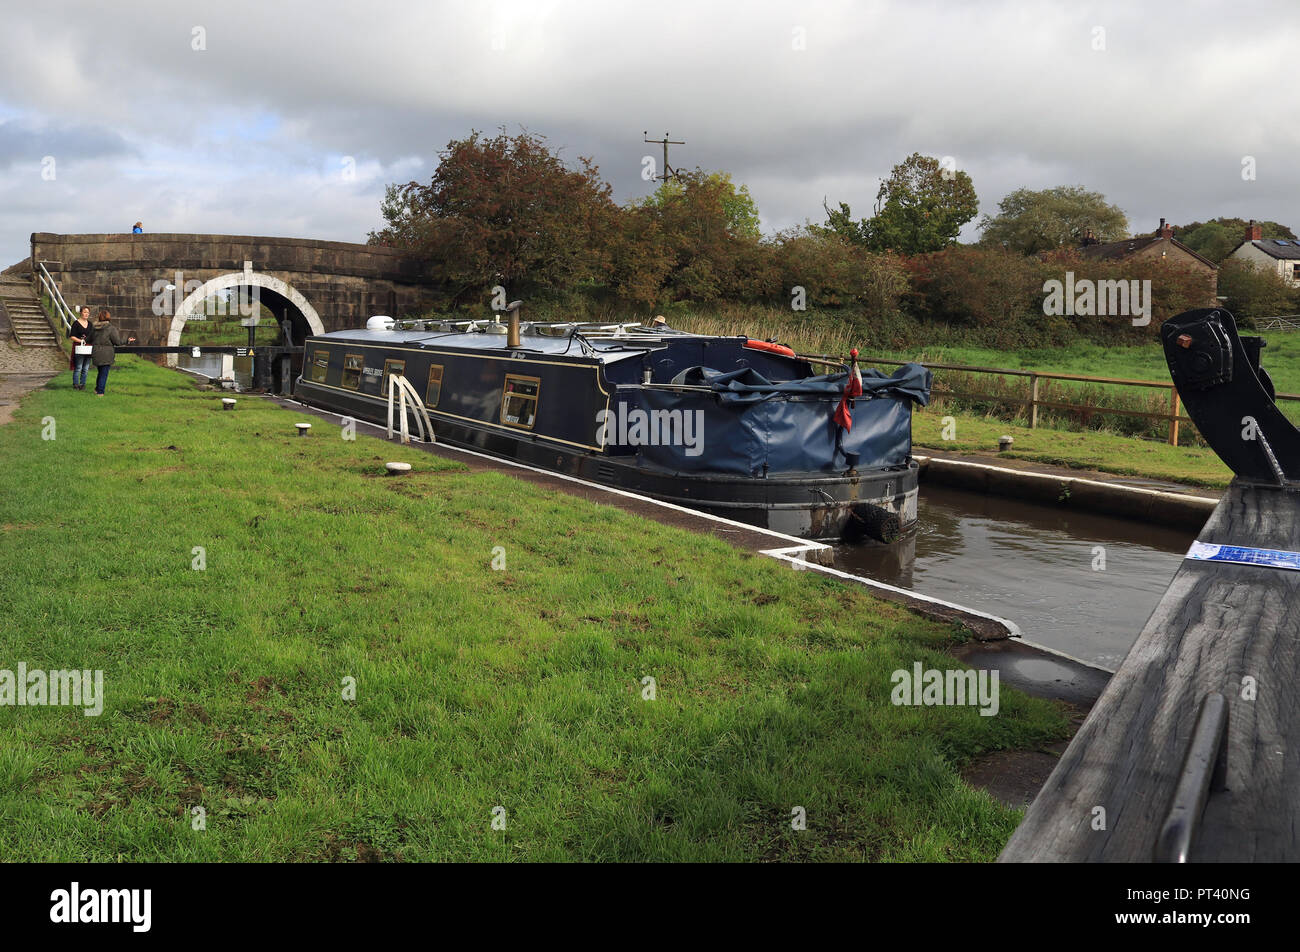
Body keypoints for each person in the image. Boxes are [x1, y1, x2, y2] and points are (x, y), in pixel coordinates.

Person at [90, 308, 136, 396]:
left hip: (96, 353)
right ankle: (100, 392)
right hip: (106, 354)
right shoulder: (111, 328)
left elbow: (89, 339)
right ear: (108, 317)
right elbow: (117, 342)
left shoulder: (94, 328)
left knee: (100, 372)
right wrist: (127, 341)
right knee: (104, 373)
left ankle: (97, 389)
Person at [68, 306, 94, 390]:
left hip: (88, 348)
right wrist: (81, 341)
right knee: (78, 367)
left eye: (88, 312)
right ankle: (76, 384)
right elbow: (72, 336)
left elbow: (92, 335)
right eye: (85, 312)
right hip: (79, 348)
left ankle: (83, 384)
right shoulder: (76, 323)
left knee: (86, 368)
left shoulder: (90, 324)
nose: (86, 314)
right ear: (81, 313)